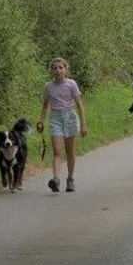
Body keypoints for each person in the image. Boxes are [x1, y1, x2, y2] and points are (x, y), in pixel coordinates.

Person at [36, 57, 87, 193]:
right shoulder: (48, 87)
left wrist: (83, 124)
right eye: (55, 68)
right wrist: (41, 121)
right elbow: (45, 105)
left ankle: (70, 179)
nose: (58, 70)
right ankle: (56, 179)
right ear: (51, 71)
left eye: (60, 67)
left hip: (69, 116)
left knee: (69, 151)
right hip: (55, 118)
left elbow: (79, 104)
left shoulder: (71, 84)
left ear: (66, 70)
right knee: (57, 152)